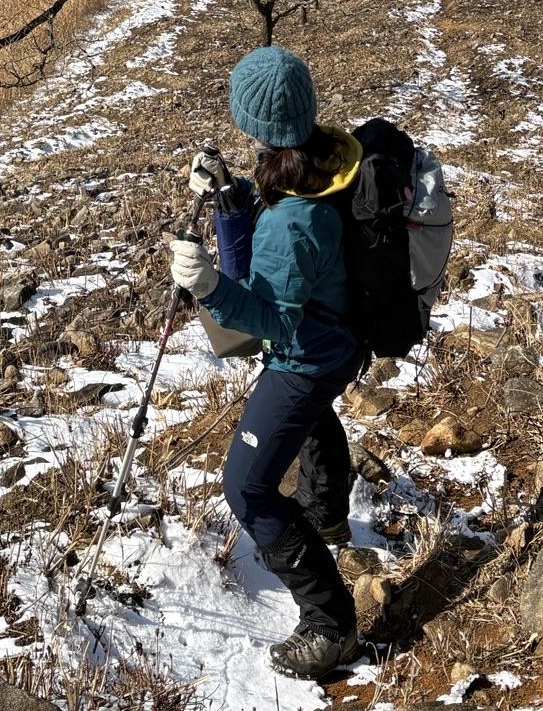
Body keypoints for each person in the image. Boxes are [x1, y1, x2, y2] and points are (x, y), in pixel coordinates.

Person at [169, 45, 363, 681]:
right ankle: (328, 511)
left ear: (257, 126)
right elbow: (272, 244)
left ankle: (331, 624)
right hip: (336, 342)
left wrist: (207, 288)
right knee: (305, 418)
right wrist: (231, 196)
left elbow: (271, 316)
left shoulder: (292, 221)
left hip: (306, 357)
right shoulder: (323, 167)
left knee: (247, 489)